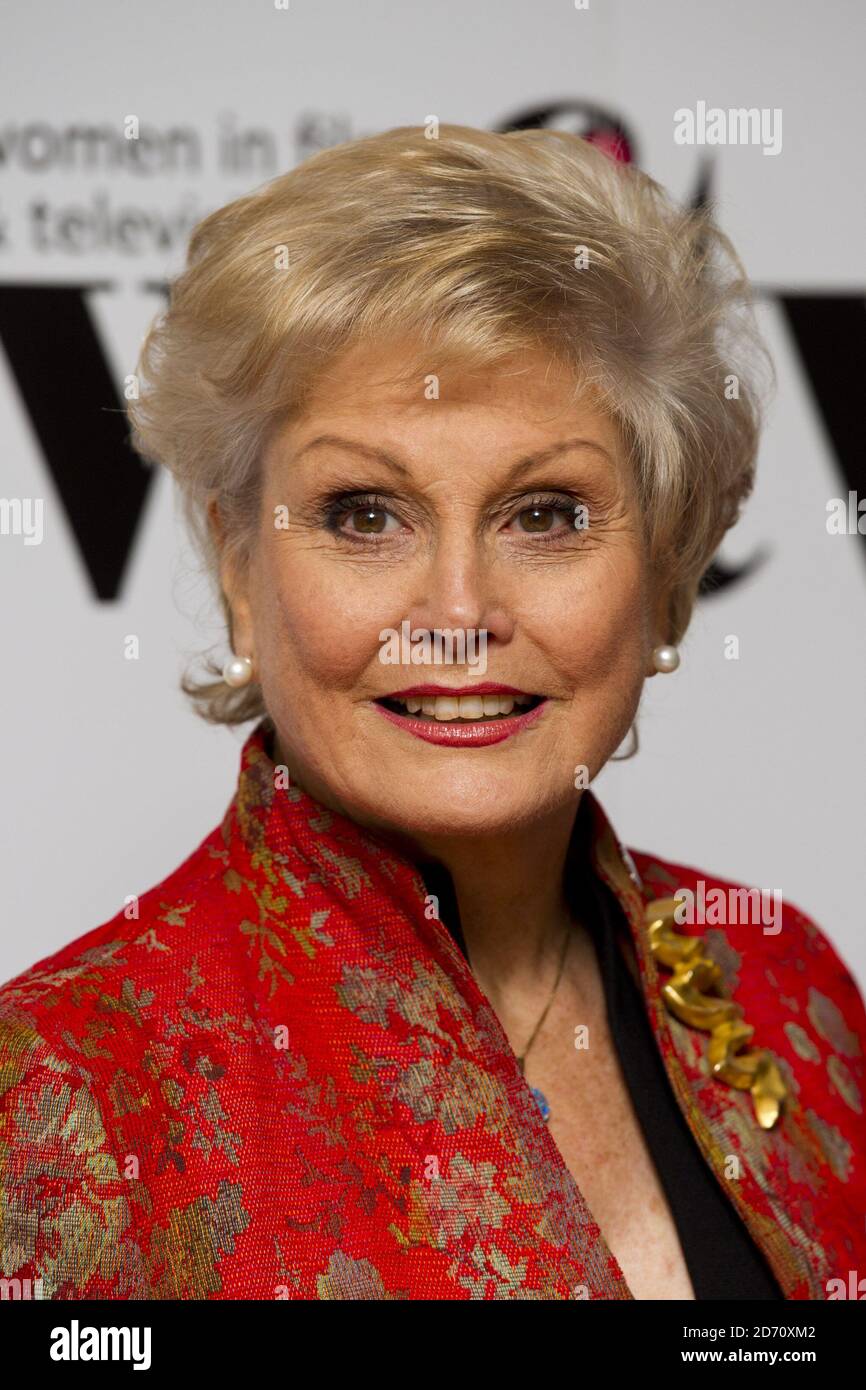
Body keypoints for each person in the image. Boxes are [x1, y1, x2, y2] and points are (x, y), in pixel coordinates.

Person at [1, 125, 863, 1301]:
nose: (456, 615)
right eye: (364, 514)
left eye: (547, 514)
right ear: (241, 573)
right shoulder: (57, 1083)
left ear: (664, 573)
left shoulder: (779, 974)